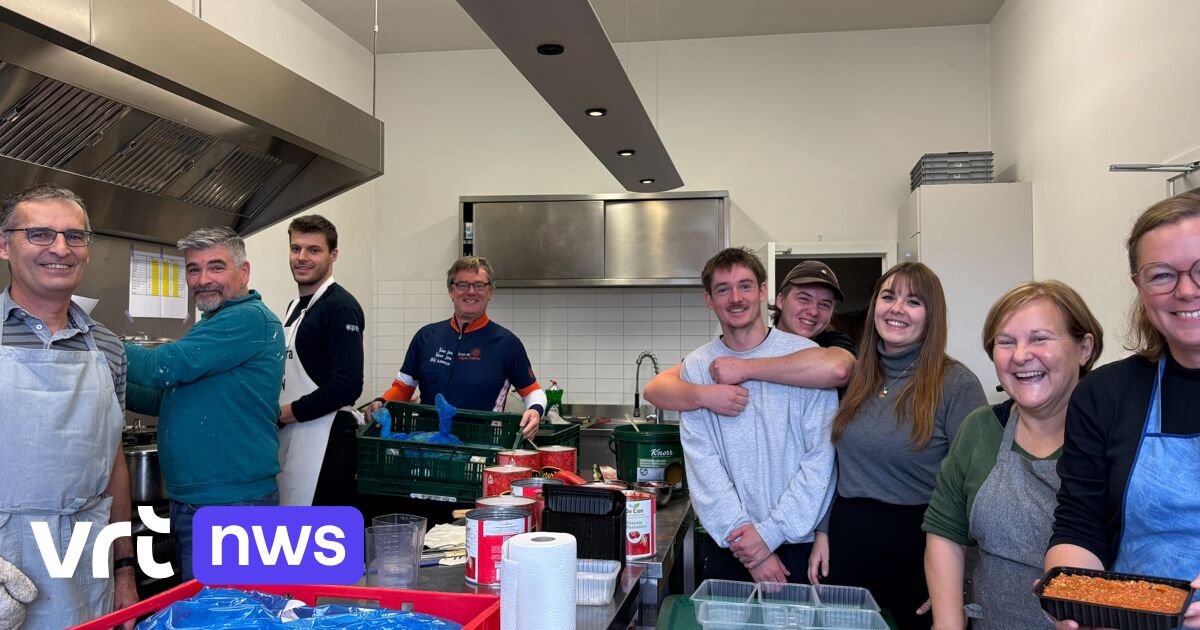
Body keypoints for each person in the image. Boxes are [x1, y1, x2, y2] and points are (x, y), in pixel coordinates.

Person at [1046, 192, 1200, 630]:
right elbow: (1081, 522)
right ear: (1139, 286)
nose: (1186, 290)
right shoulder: (1105, 394)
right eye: (1163, 275)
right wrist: (1074, 596)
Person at [811, 262, 987, 630]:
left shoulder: (956, 384)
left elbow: (981, 490)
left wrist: (961, 578)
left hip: (920, 549)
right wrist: (824, 531)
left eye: (913, 302)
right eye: (888, 297)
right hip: (847, 544)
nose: (896, 309)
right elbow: (836, 466)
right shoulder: (857, 377)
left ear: (931, 315)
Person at [923, 281, 1102, 630]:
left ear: (1085, 348)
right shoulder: (980, 429)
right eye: (1006, 342)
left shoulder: (1117, 435)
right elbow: (946, 532)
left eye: (1039, 338)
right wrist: (948, 623)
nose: (1020, 355)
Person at [0, 184, 138, 629]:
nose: (60, 248)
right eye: (39, 234)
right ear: (4, 245)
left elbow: (114, 462)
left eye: (75, 236)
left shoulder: (109, 348)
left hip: (85, 559)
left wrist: (125, 570)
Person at [124, 226, 285, 581]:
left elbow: (159, 367)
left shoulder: (247, 319)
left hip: (230, 504)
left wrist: (90, 338)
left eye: (216, 267)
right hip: (202, 500)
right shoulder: (214, 324)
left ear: (243, 273)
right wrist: (110, 381)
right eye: (193, 269)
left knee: (222, 615)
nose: (202, 279)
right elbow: (162, 398)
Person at [679, 247, 838, 583]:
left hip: (799, 544)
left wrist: (770, 535)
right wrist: (746, 541)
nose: (736, 298)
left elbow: (821, 457)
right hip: (730, 548)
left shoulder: (808, 358)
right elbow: (703, 464)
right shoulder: (696, 367)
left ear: (764, 291)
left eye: (746, 286)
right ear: (709, 299)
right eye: (723, 289)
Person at [644, 260, 856, 415]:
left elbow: (839, 369)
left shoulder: (831, 343)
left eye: (825, 305)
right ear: (780, 300)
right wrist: (705, 395)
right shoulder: (747, 344)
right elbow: (656, 388)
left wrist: (743, 368)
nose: (813, 311)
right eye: (804, 299)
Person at [370, 256, 544, 439]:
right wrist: (382, 402)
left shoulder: (507, 343)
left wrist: (535, 410)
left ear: (490, 291)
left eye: (479, 285)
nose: (470, 292)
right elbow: (403, 387)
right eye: (462, 285)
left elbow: (533, 391)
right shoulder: (426, 336)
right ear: (451, 291)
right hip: (427, 446)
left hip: (481, 449)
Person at [276, 215, 365, 507]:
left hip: (326, 443)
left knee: (319, 542)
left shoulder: (341, 307)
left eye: (313, 250)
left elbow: (347, 385)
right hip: (292, 436)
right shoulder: (294, 307)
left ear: (333, 255)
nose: (301, 257)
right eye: (295, 248)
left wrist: (286, 413)